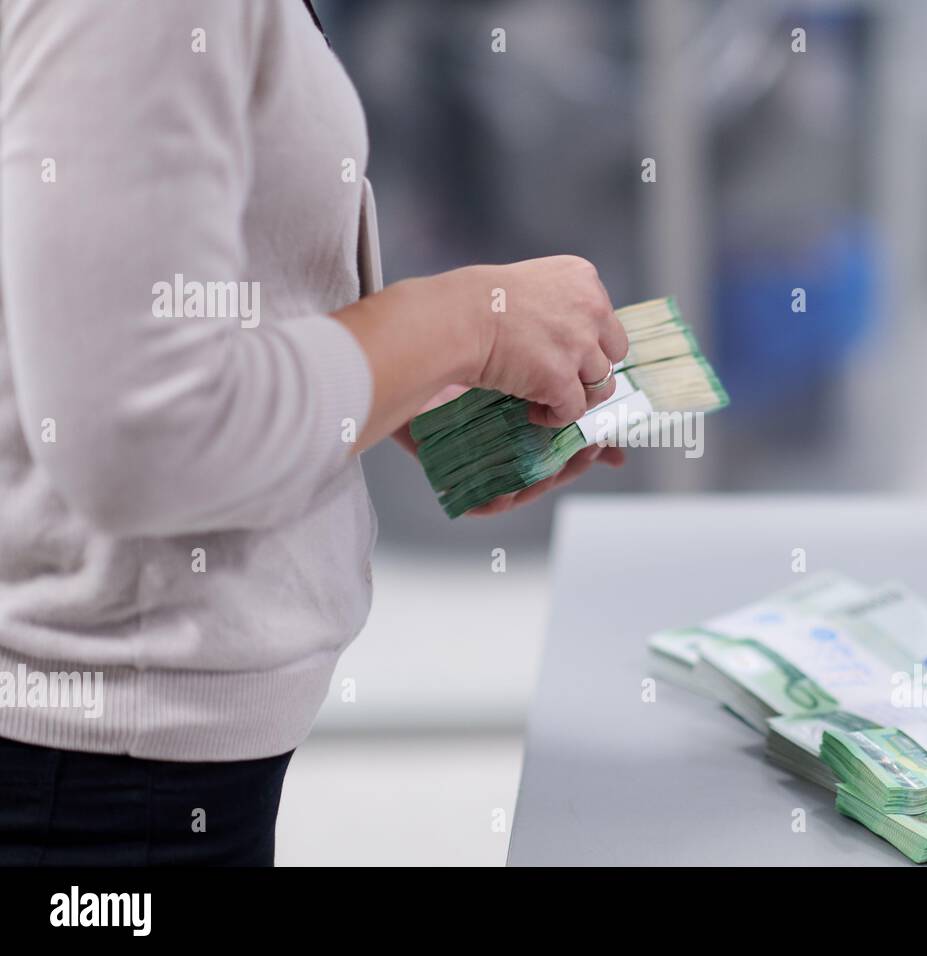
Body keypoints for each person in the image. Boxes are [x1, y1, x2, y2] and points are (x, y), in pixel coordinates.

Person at [0, 0, 626, 864]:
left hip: (134, 766)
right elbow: (138, 437)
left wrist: (390, 374)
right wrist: (459, 323)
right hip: (98, 787)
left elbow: (148, 295)